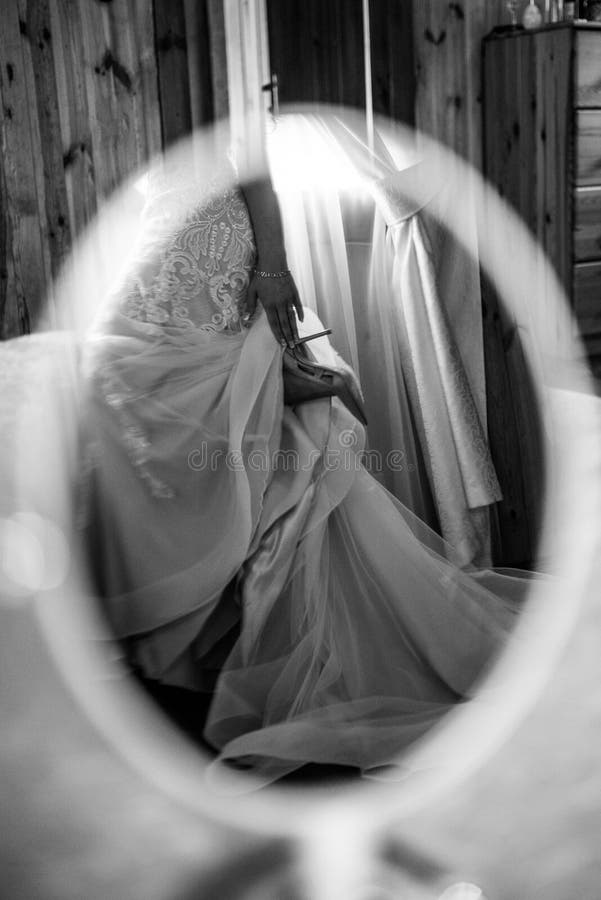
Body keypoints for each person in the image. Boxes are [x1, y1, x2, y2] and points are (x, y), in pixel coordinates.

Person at [80, 124, 533, 786]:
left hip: (211, 229)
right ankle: (266, 394)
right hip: (176, 221)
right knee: (122, 380)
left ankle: (271, 388)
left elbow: (256, 163)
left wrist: (272, 266)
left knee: (117, 370)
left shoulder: (224, 58)